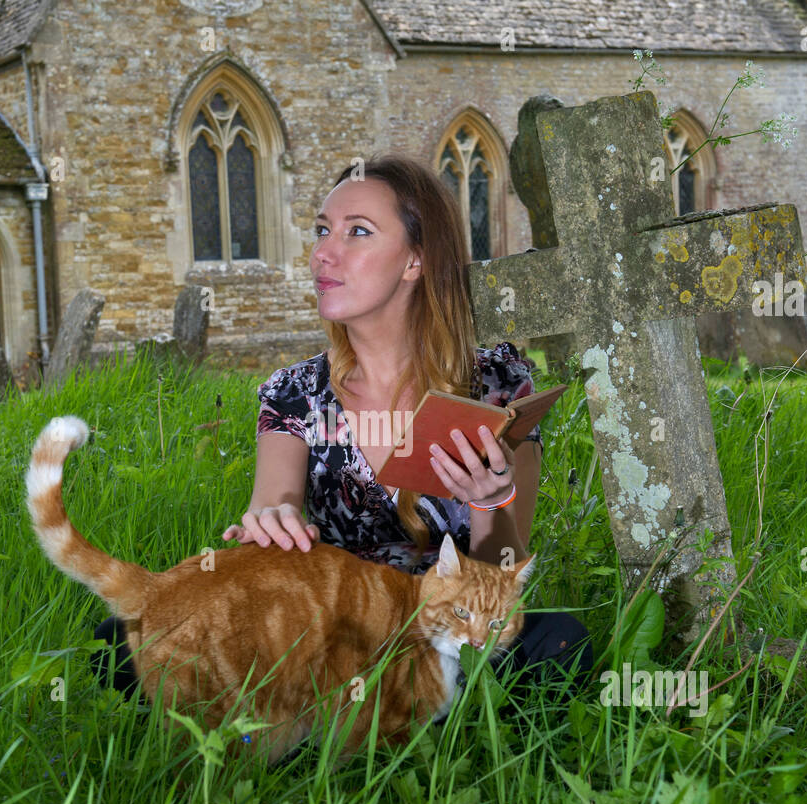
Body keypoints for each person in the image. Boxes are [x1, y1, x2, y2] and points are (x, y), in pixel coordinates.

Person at [92, 153, 592, 700]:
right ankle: (337, 714)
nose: (323, 254)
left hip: (453, 633)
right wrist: (271, 519)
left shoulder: (498, 383)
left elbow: (503, 569)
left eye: (357, 232)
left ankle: (379, 712)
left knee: (560, 645)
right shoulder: (294, 394)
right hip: (338, 633)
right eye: (322, 231)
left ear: (415, 261)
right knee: (123, 642)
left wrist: (491, 504)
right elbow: (274, 501)